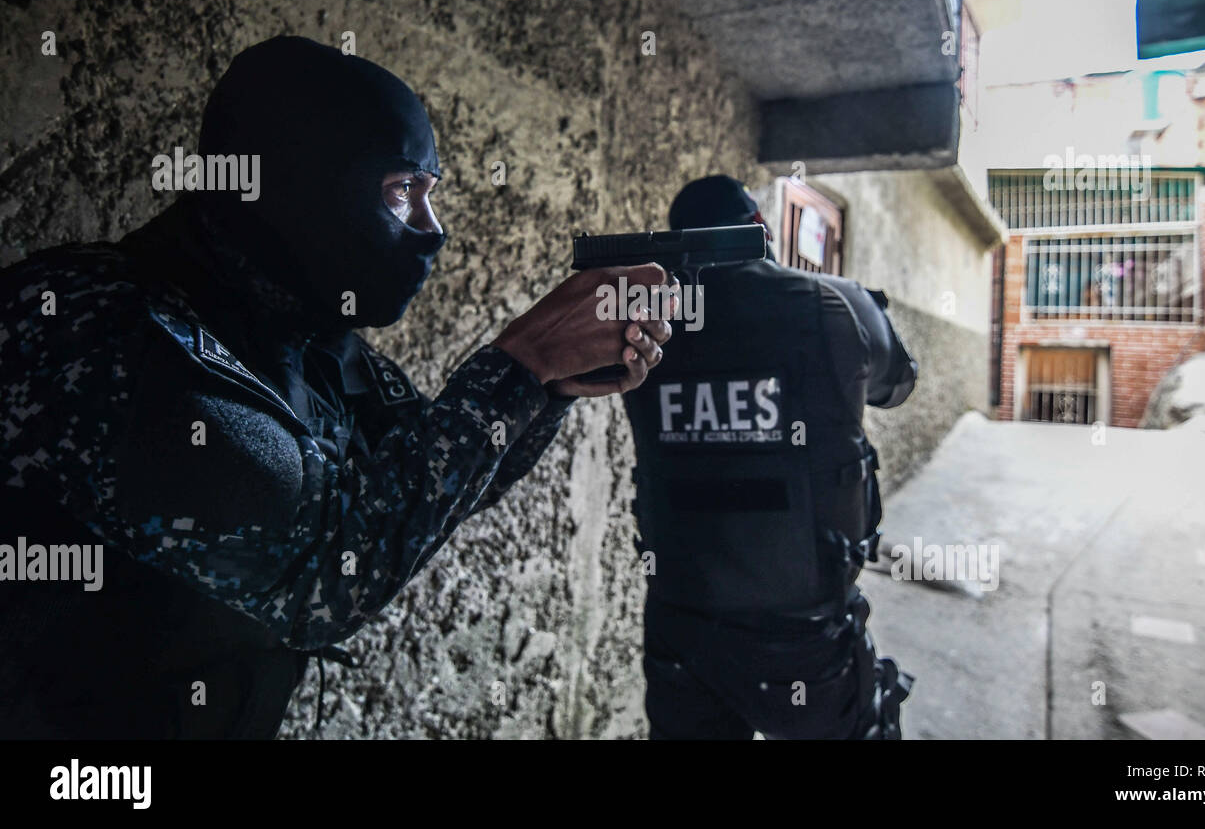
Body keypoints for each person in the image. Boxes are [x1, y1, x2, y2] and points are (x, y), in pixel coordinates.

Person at [0, 36, 672, 738]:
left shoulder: (303, 333)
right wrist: (525, 360)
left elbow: (419, 486)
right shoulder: (104, 330)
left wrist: (549, 387)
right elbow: (325, 571)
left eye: (428, 195)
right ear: (301, 184)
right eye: (401, 192)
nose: (432, 232)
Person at [621, 174, 918, 739]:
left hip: (681, 624)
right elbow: (897, 385)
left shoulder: (642, 322)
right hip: (801, 637)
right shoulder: (834, 302)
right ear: (758, 227)